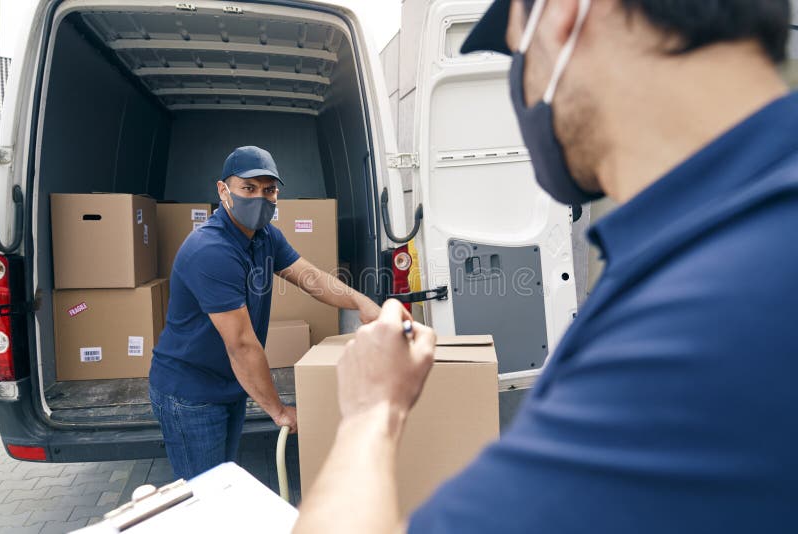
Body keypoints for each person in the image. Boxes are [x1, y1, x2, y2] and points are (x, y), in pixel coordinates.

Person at [294, 1, 798, 532]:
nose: (521, 90)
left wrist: (372, 408)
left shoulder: (705, 318)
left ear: (565, 14)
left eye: (516, 52)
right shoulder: (717, 239)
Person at [149, 145, 381, 480]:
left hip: (229, 384)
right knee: (203, 497)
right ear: (223, 191)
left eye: (269, 190)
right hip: (191, 394)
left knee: (223, 482)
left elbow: (310, 278)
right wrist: (278, 410)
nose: (260, 198)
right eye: (248, 188)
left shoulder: (265, 236)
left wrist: (362, 302)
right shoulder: (211, 250)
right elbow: (242, 345)